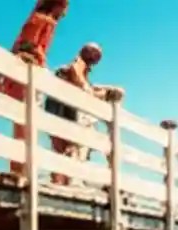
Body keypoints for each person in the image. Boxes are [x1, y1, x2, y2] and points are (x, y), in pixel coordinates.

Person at [0, 0, 69, 174]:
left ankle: (21, 169)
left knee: (26, 126)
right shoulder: (41, 20)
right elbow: (24, 46)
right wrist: (36, 59)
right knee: (24, 127)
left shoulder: (45, 22)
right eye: (62, 8)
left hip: (31, 76)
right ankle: (20, 170)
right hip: (26, 77)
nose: (63, 14)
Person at [46, 42, 125, 185]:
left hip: (70, 117)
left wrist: (103, 92)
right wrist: (100, 93)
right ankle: (63, 182)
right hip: (64, 116)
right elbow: (77, 78)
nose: (93, 59)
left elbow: (85, 86)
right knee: (70, 150)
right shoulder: (75, 66)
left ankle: (68, 181)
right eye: (92, 54)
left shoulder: (82, 72)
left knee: (78, 149)